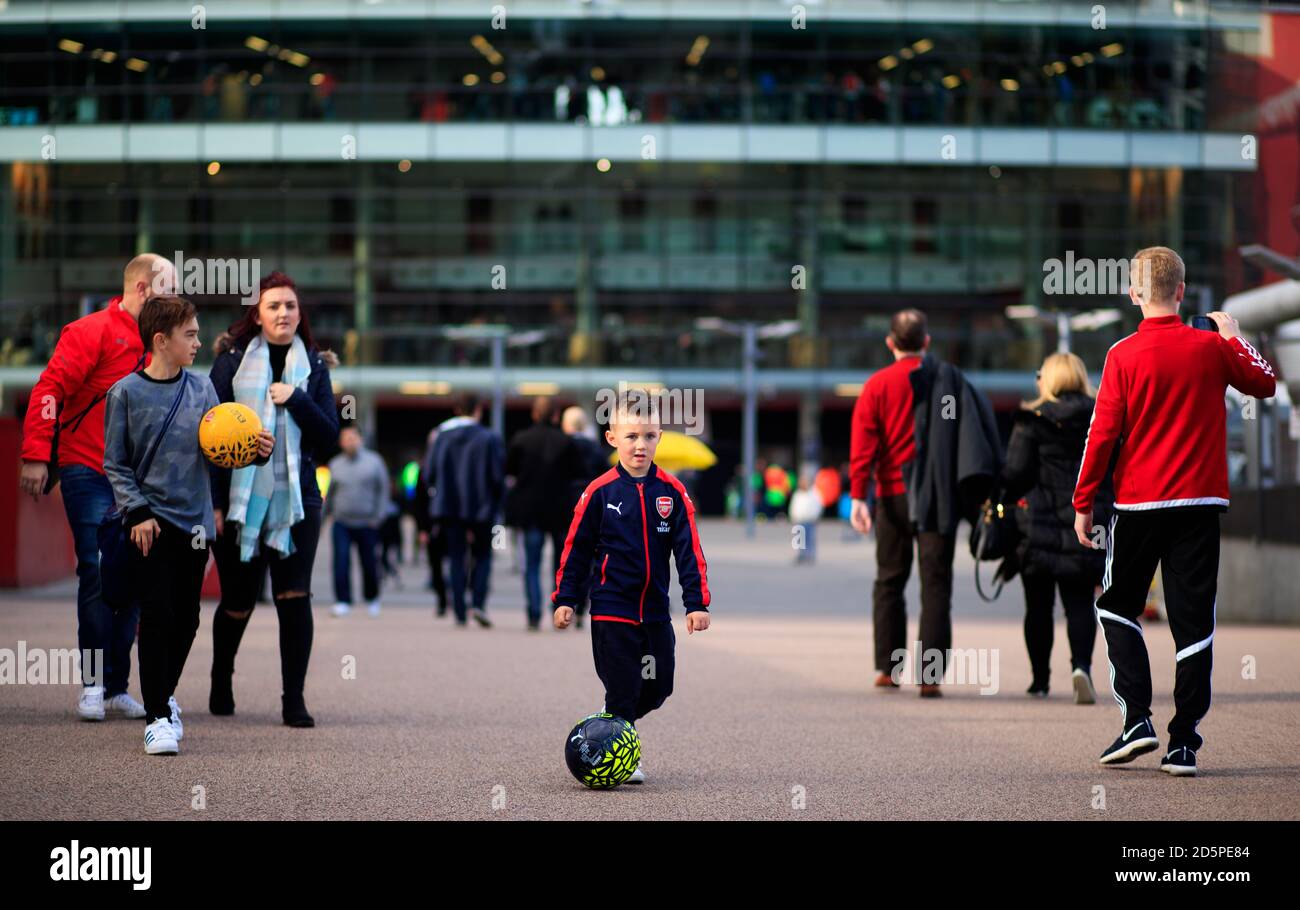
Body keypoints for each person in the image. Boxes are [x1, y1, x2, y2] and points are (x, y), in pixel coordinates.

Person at [1073, 247, 1276, 776]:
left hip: (1138, 503)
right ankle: (1183, 742)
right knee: (1193, 624)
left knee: (1117, 606)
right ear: (1181, 292)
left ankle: (1136, 719)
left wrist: (1082, 503)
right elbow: (1265, 383)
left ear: (1134, 295)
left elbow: (1102, 435)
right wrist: (1232, 335)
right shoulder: (1211, 346)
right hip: (1199, 504)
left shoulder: (1121, 354)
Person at [103, 294, 274, 754]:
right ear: (162, 340)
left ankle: (165, 696)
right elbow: (115, 465)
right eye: (190, 335)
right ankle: (157, 717)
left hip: (195, 526)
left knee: (188, 618)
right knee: (156, 614)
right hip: (148, 524)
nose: (199, 342)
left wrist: (254, 451)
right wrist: (136, 510)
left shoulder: (202, 390)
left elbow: (220, 452)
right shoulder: (124, 393)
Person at [19, 253, 177, 723]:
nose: (177, 296)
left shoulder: (160, 342)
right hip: (86, 469)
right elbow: (49, 389)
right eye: (169, 286)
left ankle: (116, 687)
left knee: (132, 579)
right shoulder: (90, 331)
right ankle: (91, 683)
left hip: (136, 479)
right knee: (96, 568)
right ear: (145, 289)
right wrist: (34, 454)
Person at [552, 392, 712, 785]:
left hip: (655, 612)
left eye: (649, 436)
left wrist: (697, 603)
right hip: (611, 610)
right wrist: (566, 599)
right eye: (631, 436)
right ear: (612, 439)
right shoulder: (599, 492)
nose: (640, 445)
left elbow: (689, 550)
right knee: (623, 686)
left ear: (659, 437)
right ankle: (619, 750)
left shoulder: (672, 492)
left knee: (659, 687)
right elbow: (576, 549)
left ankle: (610, 718)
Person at [207, 271, 340, 727]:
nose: (283, 313)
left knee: (294, 596)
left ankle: (293, 700)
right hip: (240, 501)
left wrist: (297, 399)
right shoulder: (230, 362)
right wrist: (217, 504)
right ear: (257, 314)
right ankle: (221, 678)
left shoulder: (315, 367)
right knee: (238, 601)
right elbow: (209, 439)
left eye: (290, 306)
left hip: (299, 500)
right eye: (274, 306)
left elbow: (329, 441)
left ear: (299, 314)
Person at [849, 308, 1000, 697]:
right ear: (926, 342)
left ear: (890, 342)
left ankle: (888, 668)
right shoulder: (946, 381)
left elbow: (863, 448)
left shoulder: (876, 386)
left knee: (889, 581)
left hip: (892, 496)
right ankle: (929, 676)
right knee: (935, 585)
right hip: (937, 496)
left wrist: (858, 498)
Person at [1001, 352, 1113, 703]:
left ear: (1045, 379)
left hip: (1039, 526)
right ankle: (1081, 667)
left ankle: (1040, 680)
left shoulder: (1032, 419)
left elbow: (1015, 475)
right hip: (1087, 522)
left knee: (1038, 605)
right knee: (1080, 603)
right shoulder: (1101, 415)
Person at [427, 393, 505, 628]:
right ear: (478, 410)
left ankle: (459, 610)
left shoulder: (442, 437)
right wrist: (498, 503)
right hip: (481, 506)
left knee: (456, 557)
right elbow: (497, 476)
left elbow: (429, 472)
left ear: (457, 409)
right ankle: (478, 602)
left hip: (449, 506)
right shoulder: (489, 438)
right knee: (482, 556)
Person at [505, 397, 583, 630]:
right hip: (560, 511)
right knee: (560, 566)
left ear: (534, 414)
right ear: (556, 416)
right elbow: (578, 472)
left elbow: (509, 470)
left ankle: (533, 613)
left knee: (531, 564)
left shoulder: (521, 439)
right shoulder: (566, 442)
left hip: (530, 511)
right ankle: (557, 610)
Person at [326, 425, 390, 618]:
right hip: (342, 522)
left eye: (353, 437)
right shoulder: (335, 464)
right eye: (345, 438)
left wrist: (378, 517)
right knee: (341, 562)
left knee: (369, 563)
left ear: (360, 439)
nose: (350, 441)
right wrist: (322, 520)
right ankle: (343, 600)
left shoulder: (375, 462)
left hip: (367, 523)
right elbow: (330, 495)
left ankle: (372, 598)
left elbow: (383, 491)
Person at [561, 405, 612, 628]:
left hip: (565, 508)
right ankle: (582, 607)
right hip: (592, 507)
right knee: (591, 558)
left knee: (568, 555)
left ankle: (566, 601)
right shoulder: (594, 447)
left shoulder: (562, 446)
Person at [414, 426, 448, 615]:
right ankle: (442, 599)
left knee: (456, 562)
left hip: (450, 522)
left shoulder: (453, 466)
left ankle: (457, 596)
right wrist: (421, 529)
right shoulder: (424, 469)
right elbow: (418, 501)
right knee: (435, 564)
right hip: (431, 523)